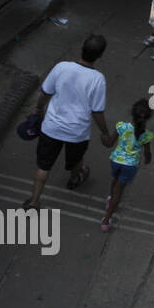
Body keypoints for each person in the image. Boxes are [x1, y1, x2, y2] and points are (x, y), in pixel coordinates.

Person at [24, 34, 115, 209]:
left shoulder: (61, 67)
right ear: (100, 56)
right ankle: (75, 178)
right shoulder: (98, 79)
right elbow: (97, 111)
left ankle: (34, 201)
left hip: (51, 127)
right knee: (76, 159)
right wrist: (104, 133)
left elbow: (45, 92)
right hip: (77, 132)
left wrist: (38, 109)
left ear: (82, 48)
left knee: (43, 166)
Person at [102, 98, 154, 232]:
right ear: (147, 117)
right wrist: (148, 159)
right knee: (119, 190)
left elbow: (109, 143)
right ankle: (106, 220)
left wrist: (104, 138)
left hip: (115, 161)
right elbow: (147, 154)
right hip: (130, 166)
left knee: (114, 180)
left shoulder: (121, 126)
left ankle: (110, 199)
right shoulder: (146, 135)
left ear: (132, 111)